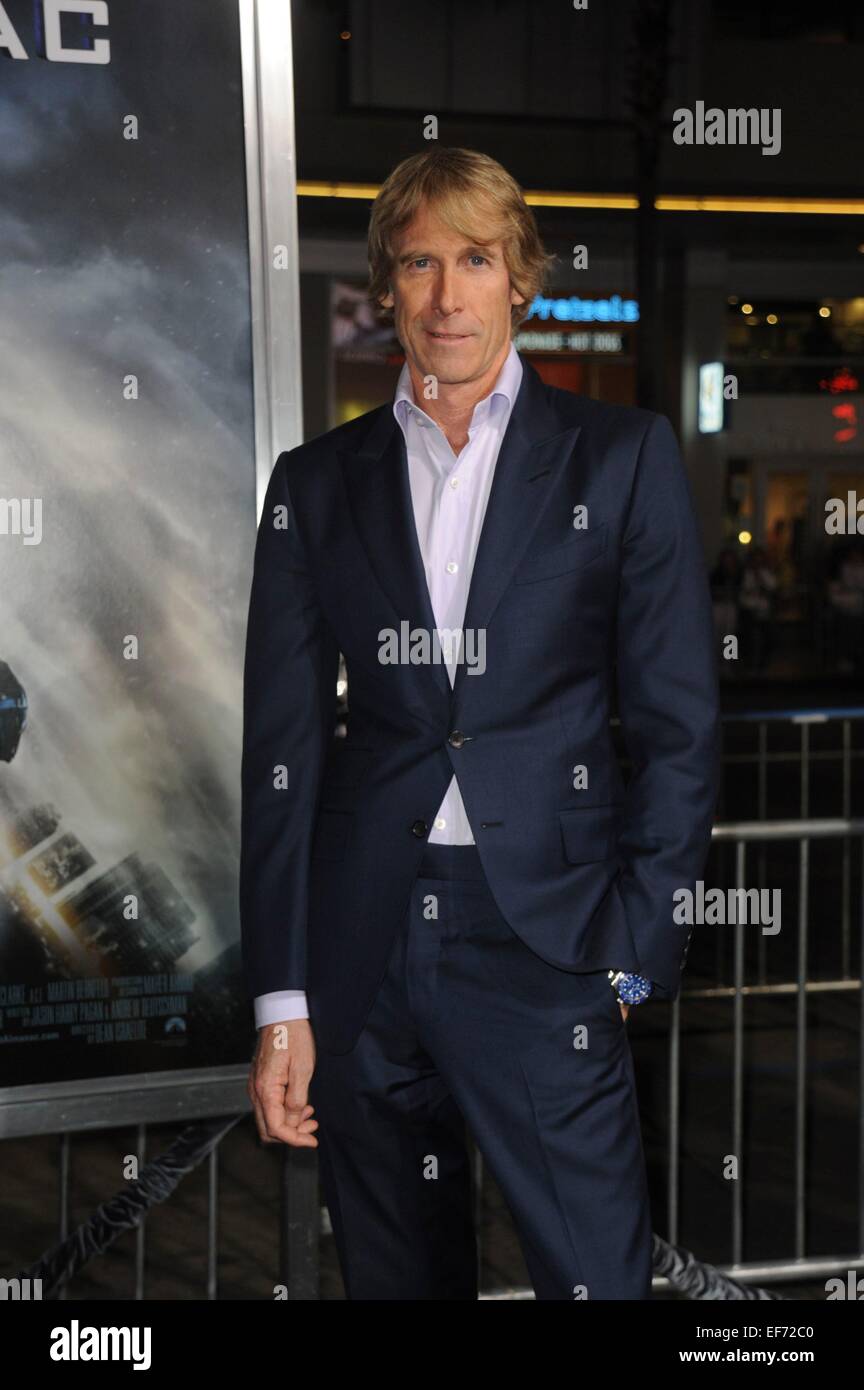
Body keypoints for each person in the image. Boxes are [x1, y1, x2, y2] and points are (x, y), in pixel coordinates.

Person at [240, 147, 721, 1300]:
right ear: (386, 287)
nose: (447, 294)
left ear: (521, 278)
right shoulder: (315, 482)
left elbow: (679, 726)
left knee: (596, 1282)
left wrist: (634, 954)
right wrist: (282, 999)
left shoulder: (621, 455)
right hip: (363, 956)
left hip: (550, 948)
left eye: (475, 259)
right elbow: (281, 754)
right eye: (420, 262)